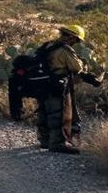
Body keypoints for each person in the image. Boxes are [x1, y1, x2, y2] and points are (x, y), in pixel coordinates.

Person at [36, 24, 101, 154]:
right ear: (72, 37)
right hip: (57, 84)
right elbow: (77, 68)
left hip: (42, 84)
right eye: (76, 40)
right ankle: (58, 143)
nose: (76, 43)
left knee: (44, 111)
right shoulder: (65, 50)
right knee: (60, 113)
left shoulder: (47, 45)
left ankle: (45, 140)